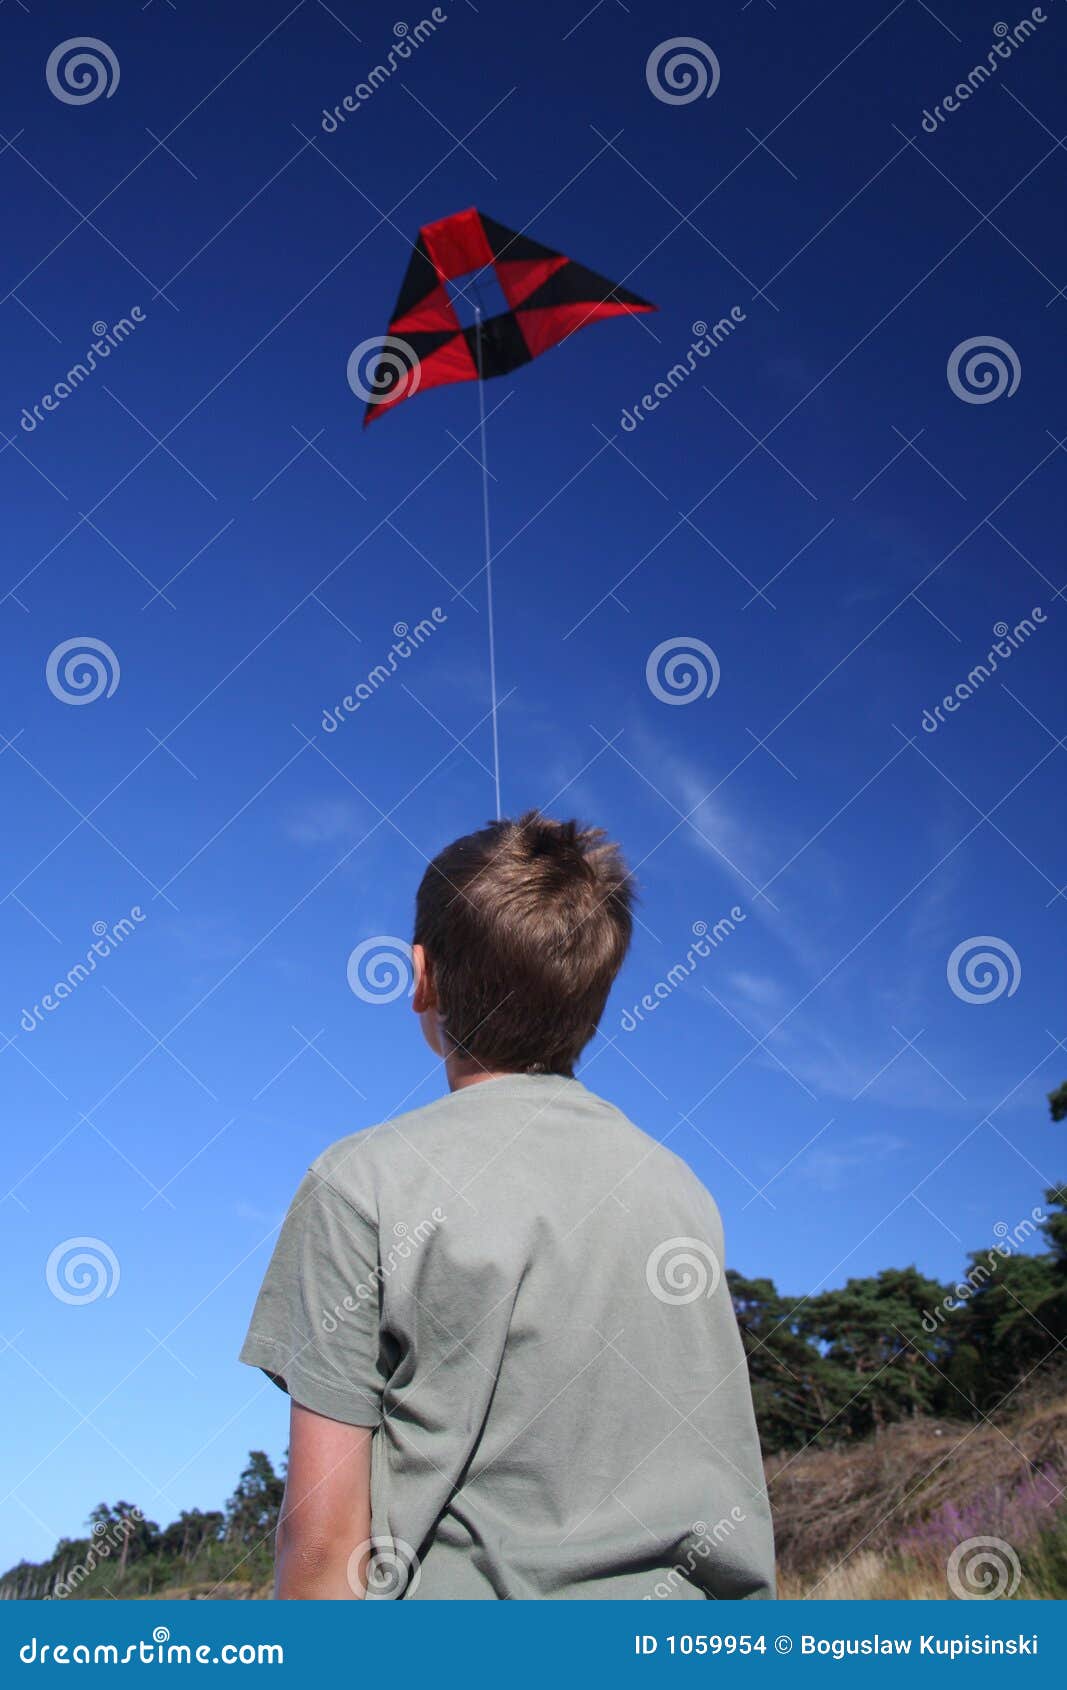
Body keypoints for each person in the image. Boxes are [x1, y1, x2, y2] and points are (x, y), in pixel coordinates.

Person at [240, 812, 775, 1600]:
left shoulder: (361, 1182)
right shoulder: (681, 1190)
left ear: (421, 975)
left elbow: (321, 1548)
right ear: (594, 1001)